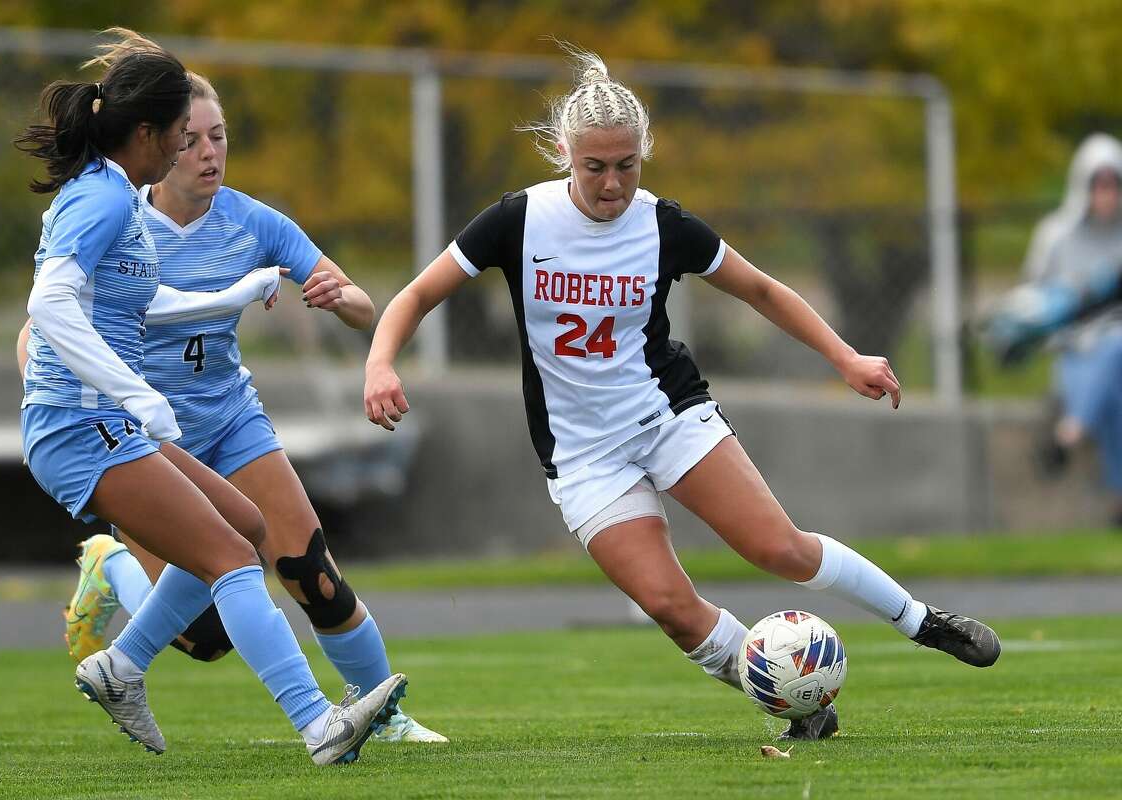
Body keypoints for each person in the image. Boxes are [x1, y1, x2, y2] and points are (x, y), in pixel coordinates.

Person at [363, 44, 1000, 740]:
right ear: (562, 153)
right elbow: (418, 293)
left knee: (780, 549)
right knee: (671, 607)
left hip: (668, 415)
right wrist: (381, 363)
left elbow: (759, 287)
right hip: (582, 455)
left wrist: (844, 357)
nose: (612, 185)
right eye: (595, 167)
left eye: (626, 166)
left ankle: (923, 621)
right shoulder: (517, 221)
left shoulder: (663, 224)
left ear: (645, 153)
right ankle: (797, 703)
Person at [17, 64, 444, 743]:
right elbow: (47, 308)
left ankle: (121, 666)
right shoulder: (105, 200)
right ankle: (318, 725)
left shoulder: (116, 196)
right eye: (187, 137)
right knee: (228, 576)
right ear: (152, 136)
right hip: (88, 425)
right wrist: (138, 396)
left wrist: (237, 294)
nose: (200, 150)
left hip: (151, 421)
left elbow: (141, 302)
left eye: (215, 136)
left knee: (246, 532)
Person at [1021, 133, 1122, 521]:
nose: (1107, 193)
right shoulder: (1056, 236)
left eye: (1114, 184)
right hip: (1073, 357)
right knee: (1113, 389)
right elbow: (1034, 304)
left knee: (1115, 345)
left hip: (1116, 350)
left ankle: (1069, 433)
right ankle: (1118, 497)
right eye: (1100, 183)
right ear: (1085, 185)